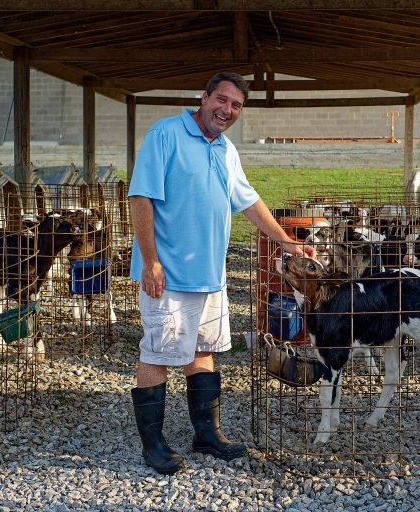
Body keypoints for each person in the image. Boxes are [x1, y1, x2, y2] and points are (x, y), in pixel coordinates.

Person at [128, 71, 316, 475]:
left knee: (203, 349)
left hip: (210, 275)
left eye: (236, 106)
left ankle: (206, 434)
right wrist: (150, 261)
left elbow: (248, 201)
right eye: (223, 100)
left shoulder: (226, 149)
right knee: (158, 353)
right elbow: (140, 197)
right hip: (169, 274)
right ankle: (153, 445)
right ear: (204, 96)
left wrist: (285, 240)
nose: (228, 110)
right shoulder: (165, 135)